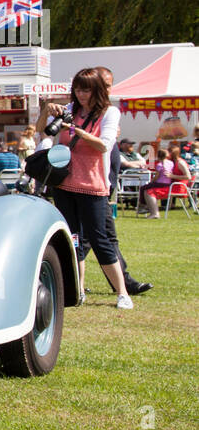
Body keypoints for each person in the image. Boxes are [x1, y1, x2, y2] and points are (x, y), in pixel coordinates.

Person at [50, 68, 132, 308]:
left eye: (85, 89)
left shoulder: (109, 112)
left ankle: (122, 293)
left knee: (100, 239)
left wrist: (76, 130)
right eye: (77, 88)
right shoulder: (69, 110)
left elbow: (104, 145)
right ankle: (78, 290)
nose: (81, 94)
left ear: (97, 90)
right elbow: (43, 135)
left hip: (93, 185)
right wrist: (48, 113)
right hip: (65, 183)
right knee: (72, 238)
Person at [93, 67, 149, 295]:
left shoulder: (108, 112)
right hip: (92, 188)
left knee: (98, 238)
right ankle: (123, 284)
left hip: (104, 186)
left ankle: (121, 282)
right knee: (98, 238)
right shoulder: (91, 113)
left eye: (109, 85)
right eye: (103, 85)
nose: (107, 89)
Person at [141, 144, 192, 218]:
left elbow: (188, 176)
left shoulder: (180, 162)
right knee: (147, 190)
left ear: (173, 153)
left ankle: (154, 213)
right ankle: (150, 210)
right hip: (172, 185)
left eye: (169, 152)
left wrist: (172, 176)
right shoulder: (171, 162)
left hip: (178, 187)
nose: (166, 154)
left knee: (149, 192)